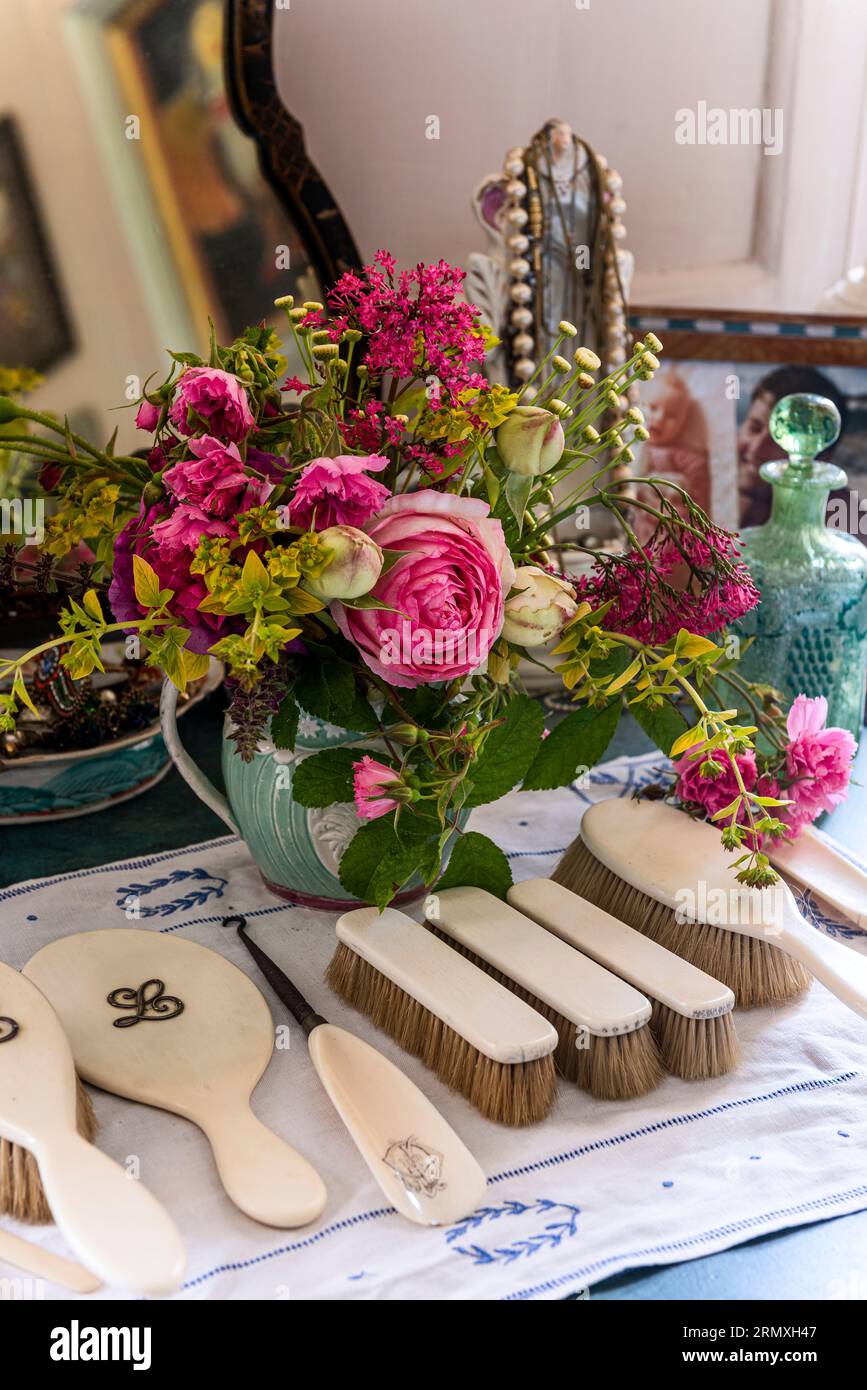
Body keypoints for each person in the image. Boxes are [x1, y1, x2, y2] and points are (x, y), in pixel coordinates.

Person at [737, 365, 848, 527]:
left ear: (823, 458)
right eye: (755, 427)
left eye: (779, 441)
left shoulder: (842, 522)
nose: (756, 449)